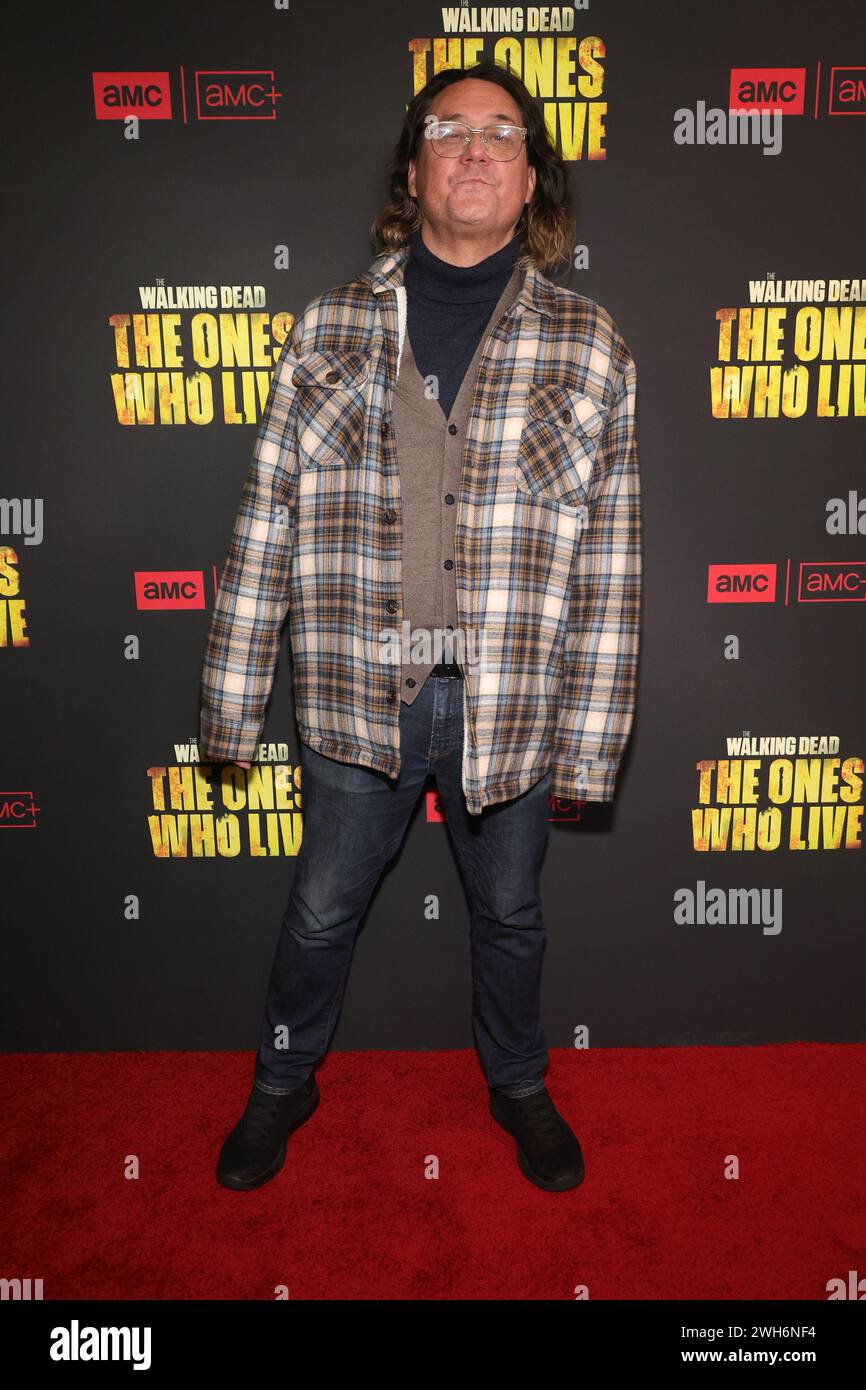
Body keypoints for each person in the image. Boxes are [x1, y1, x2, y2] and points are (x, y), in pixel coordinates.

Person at [198, 58, 642, 1194]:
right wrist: (231, 704)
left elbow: (609, 560)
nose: (477, 148)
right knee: (319, 911)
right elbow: (265, 525)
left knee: (510, 915)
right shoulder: (329, 329)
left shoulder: (590, 346)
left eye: (501, 131)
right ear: (415, 166)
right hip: (354, 692)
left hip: (509, 705)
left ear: (531, 175)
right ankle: (281, 1083)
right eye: (450, 128)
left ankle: (519, 1082)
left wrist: (591, 740)